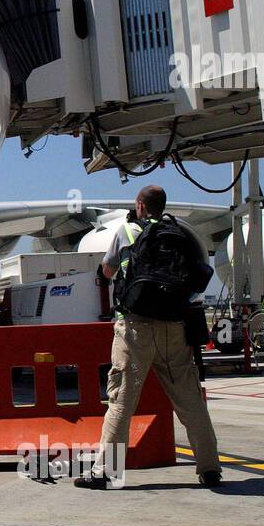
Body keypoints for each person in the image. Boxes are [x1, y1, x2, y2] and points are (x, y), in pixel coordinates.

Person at [75, 184, 223, 490]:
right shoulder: (180, 234)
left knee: (121, 402)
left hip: (135, 328)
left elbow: (108, 269)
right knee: (191, 402)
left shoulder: (127, 231)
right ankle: (210, 468)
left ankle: (106, 471)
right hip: (173, 327)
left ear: (140, 205)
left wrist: (103, 276)